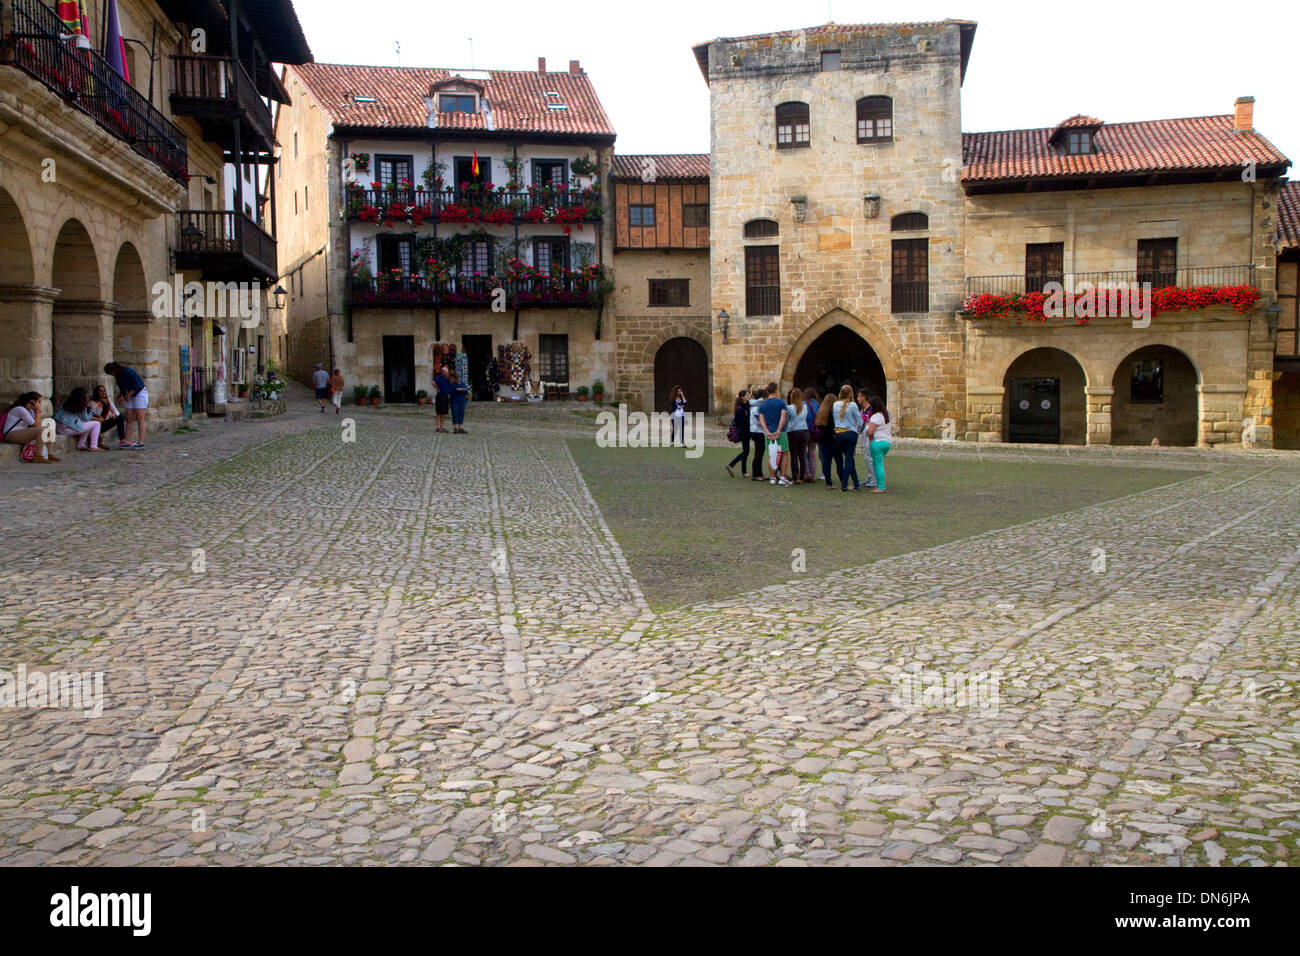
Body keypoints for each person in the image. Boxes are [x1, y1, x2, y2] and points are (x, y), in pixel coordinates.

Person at [1, 392, 59, 462]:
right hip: (11, 435)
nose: (40, 404)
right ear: (32, 402)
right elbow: (36, 425)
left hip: (21, 433)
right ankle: (38, 455)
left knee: (49, 430)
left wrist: (35, 412)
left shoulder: (30, 411)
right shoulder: (20, 409)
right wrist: (37, 412)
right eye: (39, 402)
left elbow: (39, 425)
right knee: (42, 430)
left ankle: (49, 454)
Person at [104, 362, 148, 449]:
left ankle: (141, 442)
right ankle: (127, 441)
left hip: (139, 393)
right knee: (129, 418)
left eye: (111, 372)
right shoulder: (118, 377)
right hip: (129, 395)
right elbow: (122, 387)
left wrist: (130, 394)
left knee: (140, 418)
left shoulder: (128, 371)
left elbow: (138, 384)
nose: (112, 374)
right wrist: (122, 395)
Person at [758, 381, 791, 487]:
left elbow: (762, 420)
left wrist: (767, 431)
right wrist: (778, 430)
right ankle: (782, 476)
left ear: (767, 391)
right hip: (781, 431)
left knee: (771, 455)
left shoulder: (763, 404)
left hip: (769, 432)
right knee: (784, 453)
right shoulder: (781, 403)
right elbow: (783, 417)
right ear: (776, 390)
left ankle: (772, 477)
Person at [832, 384, 864, 491]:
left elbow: (835, 420)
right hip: (850, 433)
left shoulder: (835, 404)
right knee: (849, 458)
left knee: (849, 459)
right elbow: (860, 421)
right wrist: (859, 428)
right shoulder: (853, 405)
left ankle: (856, 483)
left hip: (839, 433)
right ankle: (844, 484)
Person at [864, 395, 893, 493]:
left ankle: (880, 487)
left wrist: (871, 439)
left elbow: (870, 432)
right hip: (887, 442)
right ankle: (880, 484)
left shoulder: (875, 417)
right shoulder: (887, 415)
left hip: (878, 442)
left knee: (878, 465)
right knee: (879, 463)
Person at [785, 387, 810, 483]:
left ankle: (795, 477)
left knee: (794, 456)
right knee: (802, 455)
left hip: (792, 432)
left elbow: (786, 421)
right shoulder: (805, 407)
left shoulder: (789, 408)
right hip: (803, 432)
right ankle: (802, 476)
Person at [813, 392, 837, 489]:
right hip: (833, 439)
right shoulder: (833, 414)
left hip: (822, 439)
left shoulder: (820, 413)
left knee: (826, 461)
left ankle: (828, 483)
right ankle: (843, 481)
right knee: (838, 460)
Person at [855, 389, 878, 490]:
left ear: (863, 397)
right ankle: (870, 476)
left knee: (870, 457)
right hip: (864, 436)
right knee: (866, 456)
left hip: (870, 436)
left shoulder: (871, 410)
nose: (858, 399)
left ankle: (874, 479)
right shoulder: (862, 410)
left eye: (859, 396)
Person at [725, 389, 751, 477]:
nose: (749, 396)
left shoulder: (746, 406)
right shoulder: (740, 409)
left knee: (746, 451)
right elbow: (741, 421)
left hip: (746, 432)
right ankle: (733, 466)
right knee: (746, 451)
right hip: (744, 432)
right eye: (747, 395)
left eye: (749, 394)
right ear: (742, 397)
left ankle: (741, 470)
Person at [747, 385, 766, 481]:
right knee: (759, 453)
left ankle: (759, 473)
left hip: (756, 432)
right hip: (757, 432)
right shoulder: (756, 408)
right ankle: (756, 474)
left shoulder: (755, 406)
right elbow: (759, 421)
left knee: (759, 453)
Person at [802, 387, 820, 482]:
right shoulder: (817, 405)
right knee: (812, 453)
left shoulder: (803, 405)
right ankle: (813, 474)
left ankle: (806, 473)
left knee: (804, 453)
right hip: (814, 432)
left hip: (805, 431)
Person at [433, 365, 452, 432]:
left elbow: (449, 387)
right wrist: (437, 388)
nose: (447, 373)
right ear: (443, 372)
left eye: (447, 372)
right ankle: (438, 427)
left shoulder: (447, 379)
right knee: (439, 412)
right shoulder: (438, 378)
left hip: (445, 396)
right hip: (440, 396)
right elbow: (433, 382)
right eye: (446, 372)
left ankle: (441, 426)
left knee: (444, 412)